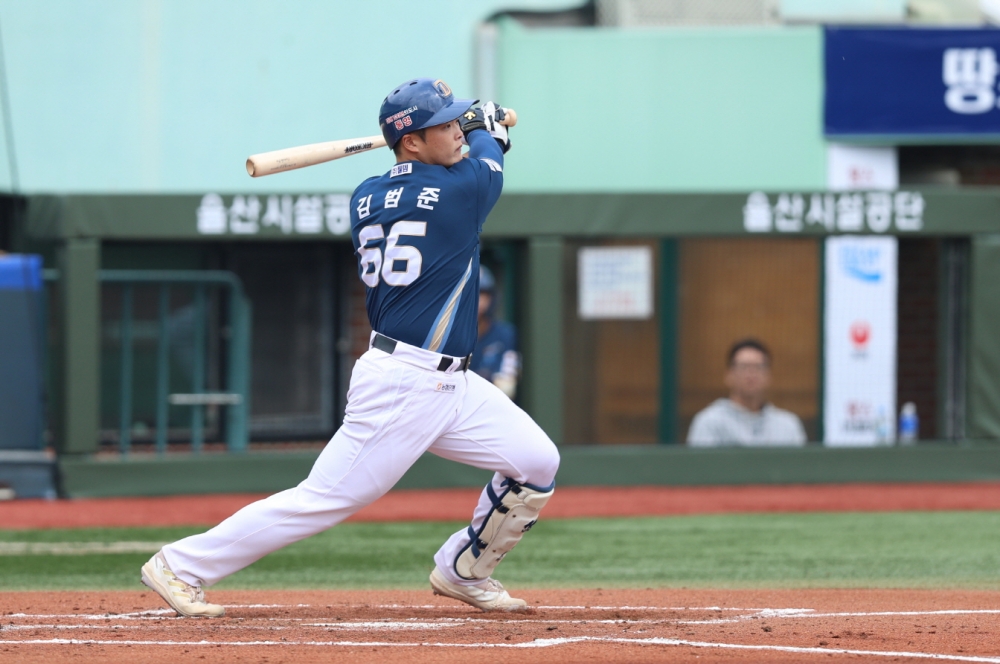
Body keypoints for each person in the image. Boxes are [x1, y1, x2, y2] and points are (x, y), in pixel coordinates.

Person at [140, 78, 559, 617]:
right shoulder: (462, 192)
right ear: (410, 140)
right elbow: (485, 156)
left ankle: (463, 568)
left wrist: (470, 129)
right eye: (445, 124)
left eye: (459, 121)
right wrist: (489, 126)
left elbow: (452, 164)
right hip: (405, 383)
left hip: (451, 382)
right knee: (325, 498)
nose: (457, 130)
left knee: (535, 460)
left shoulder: (368, 193)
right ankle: (183, 564)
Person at [687, 338, 807, 447]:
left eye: (758, 367)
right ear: (729, 375)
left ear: (768, 376)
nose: (751, 374)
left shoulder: (787, 425)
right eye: (743, 367)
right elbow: (701, 469)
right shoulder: (710, 422)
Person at [470, 265, 519, 399]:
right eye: (472, 293)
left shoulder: (504, 334)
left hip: (490, 405)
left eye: (483, 294)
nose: (478, 300)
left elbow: (507, 387)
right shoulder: (448, 333)